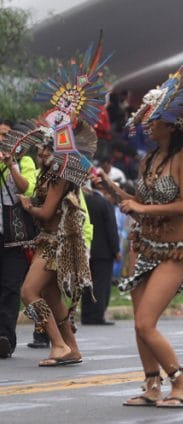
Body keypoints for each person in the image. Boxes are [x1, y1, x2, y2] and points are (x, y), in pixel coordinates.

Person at [99, 41, 183, 408]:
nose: (146, 124)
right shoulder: (149, 159)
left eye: (153, 119)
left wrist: (141, 206)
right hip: (145, 246)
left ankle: (181, 384)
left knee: (144, 323)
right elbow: (144, 205)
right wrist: (116, 194)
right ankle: (152, 387)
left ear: (171, 124)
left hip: (174, 251)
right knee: (140, 322)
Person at [18, 35, 107, 367]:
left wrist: (27, 205)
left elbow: (46, 210)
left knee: (29, 292)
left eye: (43, 148)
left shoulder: (60, 175)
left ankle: (57, 344)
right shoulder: (52, 172)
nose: (39, 152)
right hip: (49, 241)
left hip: (56, 243)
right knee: (53, 298)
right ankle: (72, 347)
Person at [0, 123, 38, 358]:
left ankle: (5, 337)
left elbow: (27, 189)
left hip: (16, 236)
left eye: (5, 135)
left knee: (10, 288)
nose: (2, 139)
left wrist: (11, 164)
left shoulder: (25, 161)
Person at [81, 185, 120, 325]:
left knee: (87, 285)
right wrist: (116, 250)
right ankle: (97, 315)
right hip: (103, 252)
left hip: (85, 248)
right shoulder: (104, 203)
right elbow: (111, 228)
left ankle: (86, 314)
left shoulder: (82, 200)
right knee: (101, 285)